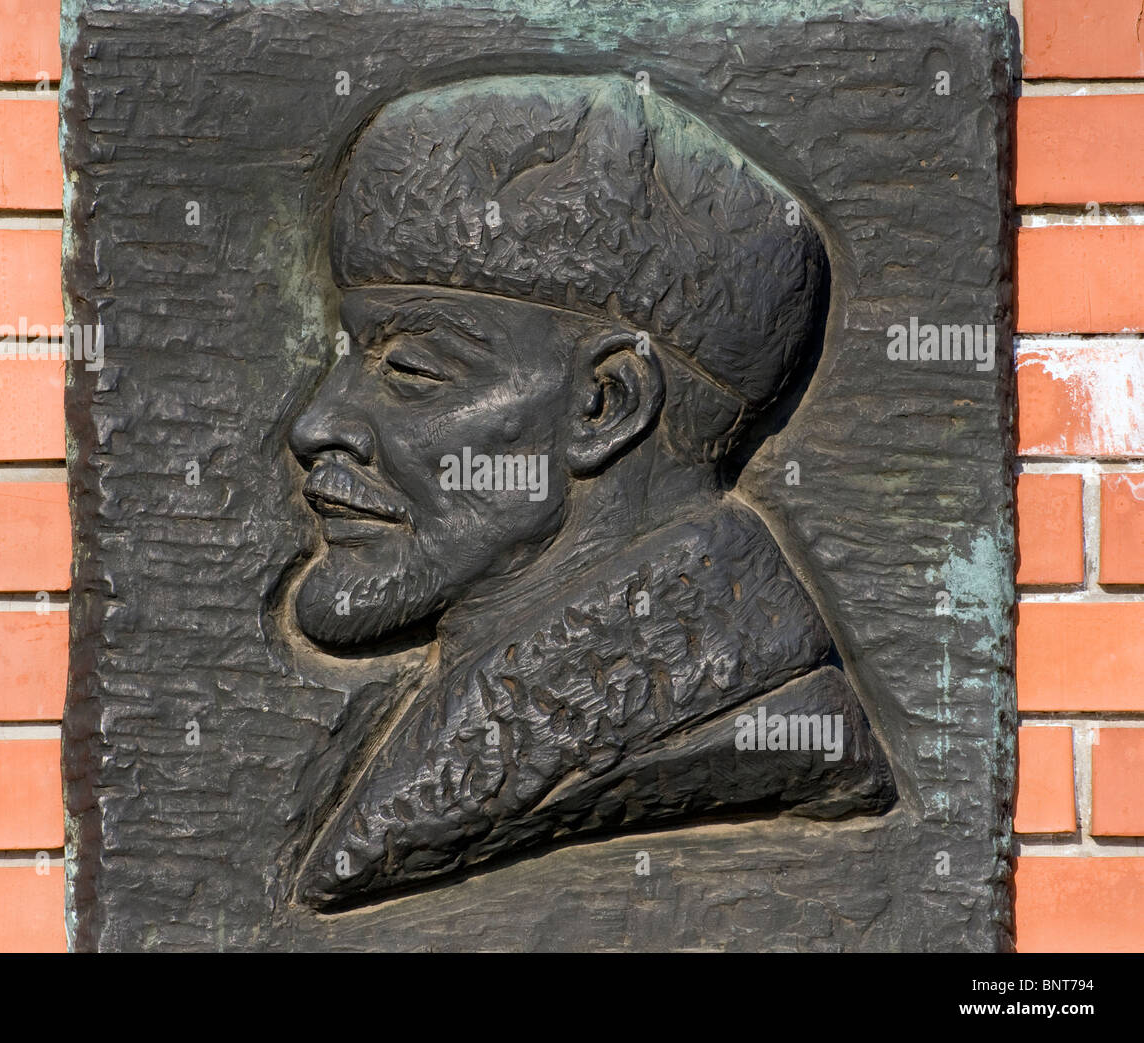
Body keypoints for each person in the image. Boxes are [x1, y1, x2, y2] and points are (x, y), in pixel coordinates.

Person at [281, 75, 895, 908]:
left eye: (412, 370)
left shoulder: (744, 730)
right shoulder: (444, 725)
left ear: (607, 404)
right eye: (349, 357)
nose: (317, 425)